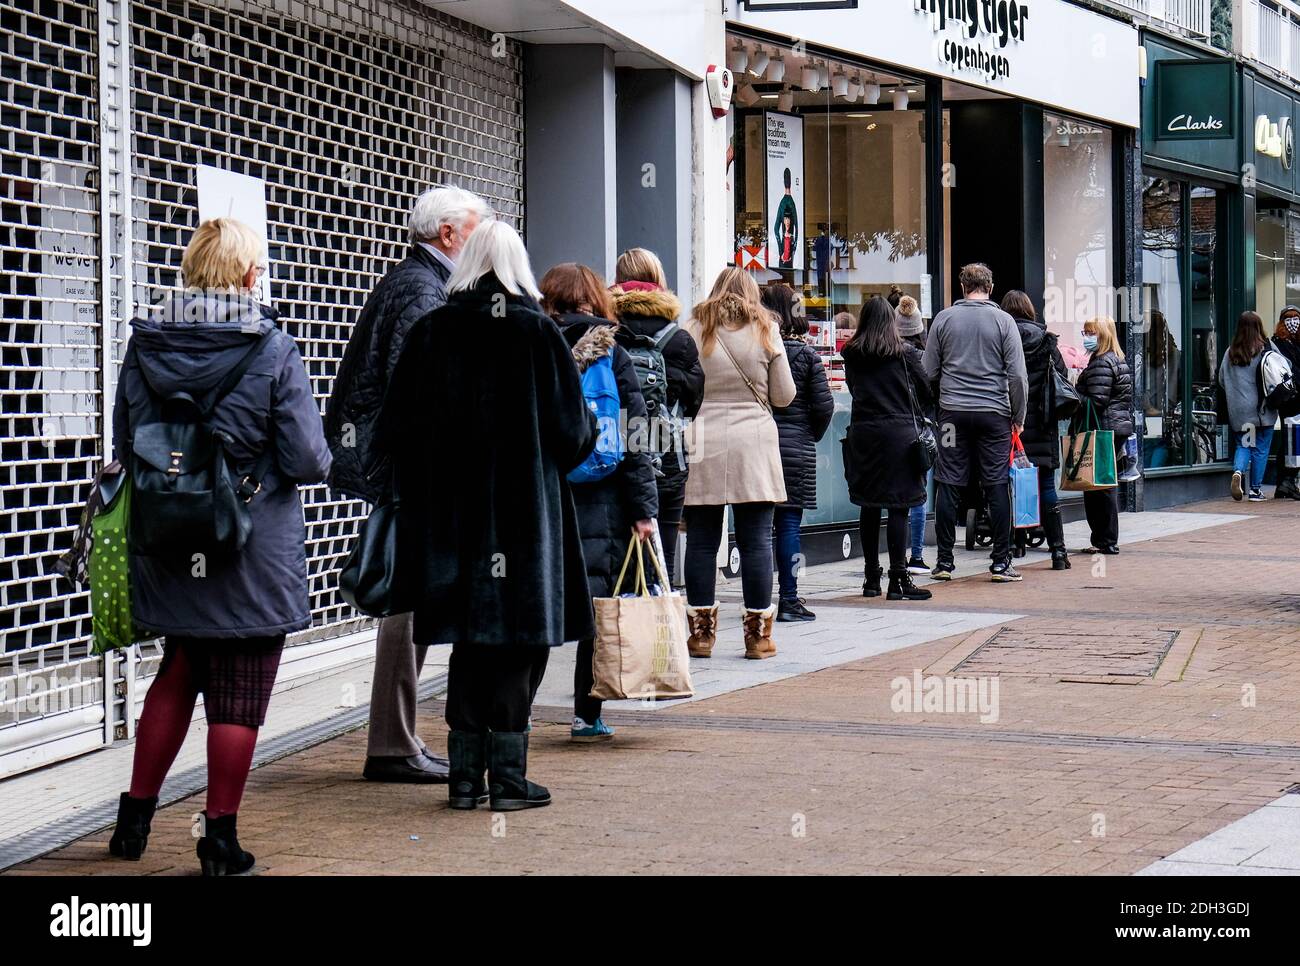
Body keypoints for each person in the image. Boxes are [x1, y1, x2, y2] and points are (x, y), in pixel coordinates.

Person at [107, 218, 331, 875]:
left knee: (177, 670)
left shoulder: (144, 345)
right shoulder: (272, 348)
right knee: (237, 694)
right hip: (248, 545)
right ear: (247, 275)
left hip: (170, 537)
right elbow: (309, 457)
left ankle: (133, 822)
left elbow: (129, 442)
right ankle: (219, 841)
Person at [380, 221, 596, 812]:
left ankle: (464, 778)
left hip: (449, 523)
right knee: (519, 642)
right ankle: (506, 778)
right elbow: (574, 434)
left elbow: (394, 427)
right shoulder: (538, 334)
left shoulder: (432, 331)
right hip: (526, 521)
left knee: (469, 643)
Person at [324, 186, 491, 784]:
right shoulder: (423, 289)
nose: (484, 240)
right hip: (410, 471)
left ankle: (396, 740)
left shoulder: (416, 281)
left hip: (404, 466)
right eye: (477, 228)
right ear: (448, 234)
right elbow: (420, 389)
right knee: (408, 596)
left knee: (411, 593)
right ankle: (393, 744)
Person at [541, 264, 658, 741]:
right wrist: (644, 509)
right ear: (596, 299)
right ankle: (587, 715)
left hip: (546, 496)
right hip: (605, 502)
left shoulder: (534, 344)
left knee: (537, 605)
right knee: (599, 612)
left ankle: (516, 710)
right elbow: (637, 435)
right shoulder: (614, 351)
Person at [682, 268, 795, 659]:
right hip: (754, 443)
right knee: (756, 541)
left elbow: (682, 390)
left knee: (700, 540)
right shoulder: (766, 329)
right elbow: (783, 396)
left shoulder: (695, 328)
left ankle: (700, 636)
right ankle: (758, 637)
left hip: (703, 439)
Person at [921, 263, 1028, 582]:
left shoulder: (944, 319)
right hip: (993, 416)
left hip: (952, 414)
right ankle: (1000, 562)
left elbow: (928, 371)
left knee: (949, 480)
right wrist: (1018, 417)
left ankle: (943, 562)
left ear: (962, 286)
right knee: (996, 483)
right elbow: (1018, 377)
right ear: (990, 287)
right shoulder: (1004, 321)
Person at [611, 248, 704, 586]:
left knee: (618, 548)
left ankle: (617, 621)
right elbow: (694, 401)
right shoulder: (679, 339)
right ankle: (658, 617)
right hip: (668, 456)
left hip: (618, 454)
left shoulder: (607, 332)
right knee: (663, 545)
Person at [842, 296, 934, 601]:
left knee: (869, 505)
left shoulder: (851, 354)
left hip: (865, 434)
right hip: (900, 436)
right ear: (891, 321)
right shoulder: (904, 353)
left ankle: (871, 578)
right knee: (899, 506)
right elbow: (926, 390)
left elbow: (854, 389)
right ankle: (898, 579)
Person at [762, 282, 833, 622]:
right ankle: (788, 599)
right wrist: (809, 436)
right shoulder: (806, 355)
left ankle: (757, 600)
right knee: (789, 524)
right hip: (795, 449)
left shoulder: (759, 348)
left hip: (760, 446)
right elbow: (824, 406)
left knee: (758, 528)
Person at [1004, 290, 1070, 570]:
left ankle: (1014, 545)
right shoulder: (1047, 341)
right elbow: (1063, 377)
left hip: (1011, 424)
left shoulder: (1003, 336)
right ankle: (1057, 551)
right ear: (1030, 310)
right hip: (1042, 424)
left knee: (1013, 485)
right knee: (1044, 486)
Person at [1074, 316, 1134, 554]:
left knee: (1098, 487)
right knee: (1104, 483)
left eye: (1090, 333)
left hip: (1103, 428)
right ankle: (1104, 539)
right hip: (1115, 428)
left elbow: (1096, 401)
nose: (1086, 337)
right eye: (1084, 332)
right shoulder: (1117, 359)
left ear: (1103, 335)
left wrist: (1073, 395)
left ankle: (1105, 540)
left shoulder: (1101, 362)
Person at [1220, 311, 1276, 503]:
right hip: (1262, 410)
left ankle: (1238, 472)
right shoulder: (1266, 348)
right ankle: (1255, 490)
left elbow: (1221, 379)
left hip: (1240, 412)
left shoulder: (1230, 351)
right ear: (1259, 327)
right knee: (1260, 449)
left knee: (1244, 445)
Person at [895, 295, 934, 574]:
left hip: (892, 429)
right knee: (919, 492)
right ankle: (917, 554)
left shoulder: (888, 354)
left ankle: (894, 559)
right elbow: (929, 392)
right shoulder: (923, 357)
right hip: (919, 429)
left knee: (894, 496)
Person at [1269, 306, 1300, 499]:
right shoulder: (1277, 344)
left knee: (1292, 440)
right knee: (1291, 439)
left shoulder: (1296, 343)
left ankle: (1287, 481)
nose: (1293, 321)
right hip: (1290, 398)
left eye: (1296, 317)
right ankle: (1286, 480)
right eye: (1289, 318)